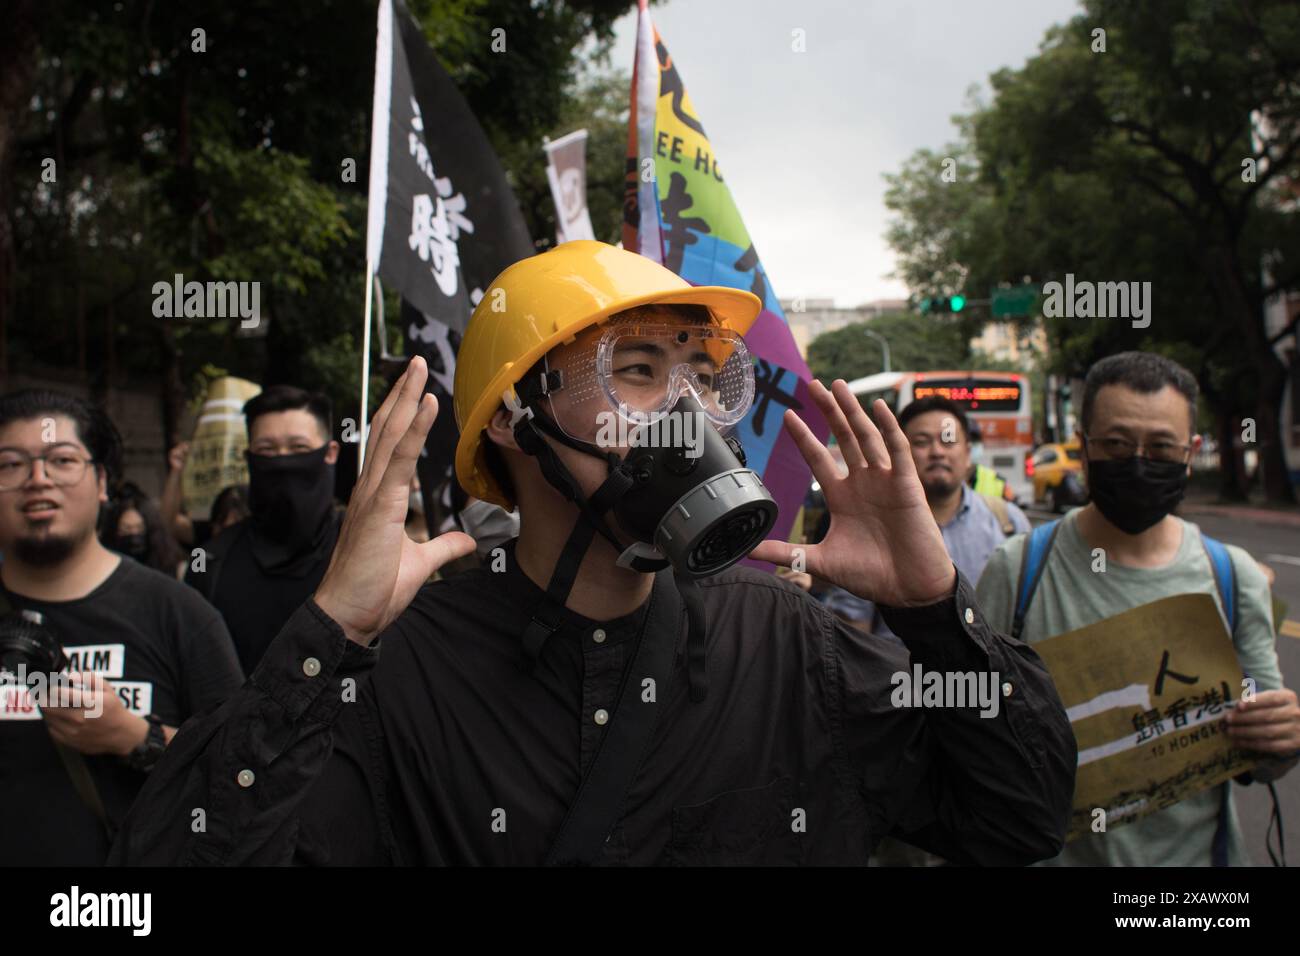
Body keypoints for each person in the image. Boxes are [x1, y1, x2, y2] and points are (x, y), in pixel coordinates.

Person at [111, 241, 1074, 866]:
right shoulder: (396, 672)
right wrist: (328, 635)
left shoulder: (789, 645)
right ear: (516, 425)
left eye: (704, 378)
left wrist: (937, 614)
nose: (688, 411)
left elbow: (1022, 814)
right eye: (639, 373)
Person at [976, 352, 1300, 865]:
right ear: (1084, 448)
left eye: (1161, 446)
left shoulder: (1234, 577)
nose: (1139, 461)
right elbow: (974, 727)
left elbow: (1260, 756)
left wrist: (1282, 737)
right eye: (1117, 445)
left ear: (1191, 452)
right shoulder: (1016, 571)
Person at [0, 389, 243, 865]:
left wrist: (135, 738)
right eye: (10, 465)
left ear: (103, 481)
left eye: (62, 460)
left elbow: (249, 770)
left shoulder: (180, 615)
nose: (37, 479)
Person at [184, 386, 342, 675]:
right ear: (249, 458)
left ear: (330, 453)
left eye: (299, 449)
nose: (283, 461)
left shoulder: (363, 549)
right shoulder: (211, 563)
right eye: (267, 450)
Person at [100, 482, 185, 578]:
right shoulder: (106, 570)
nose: (134, 533)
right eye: (126, 529)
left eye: (139, 528)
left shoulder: (167, 565)